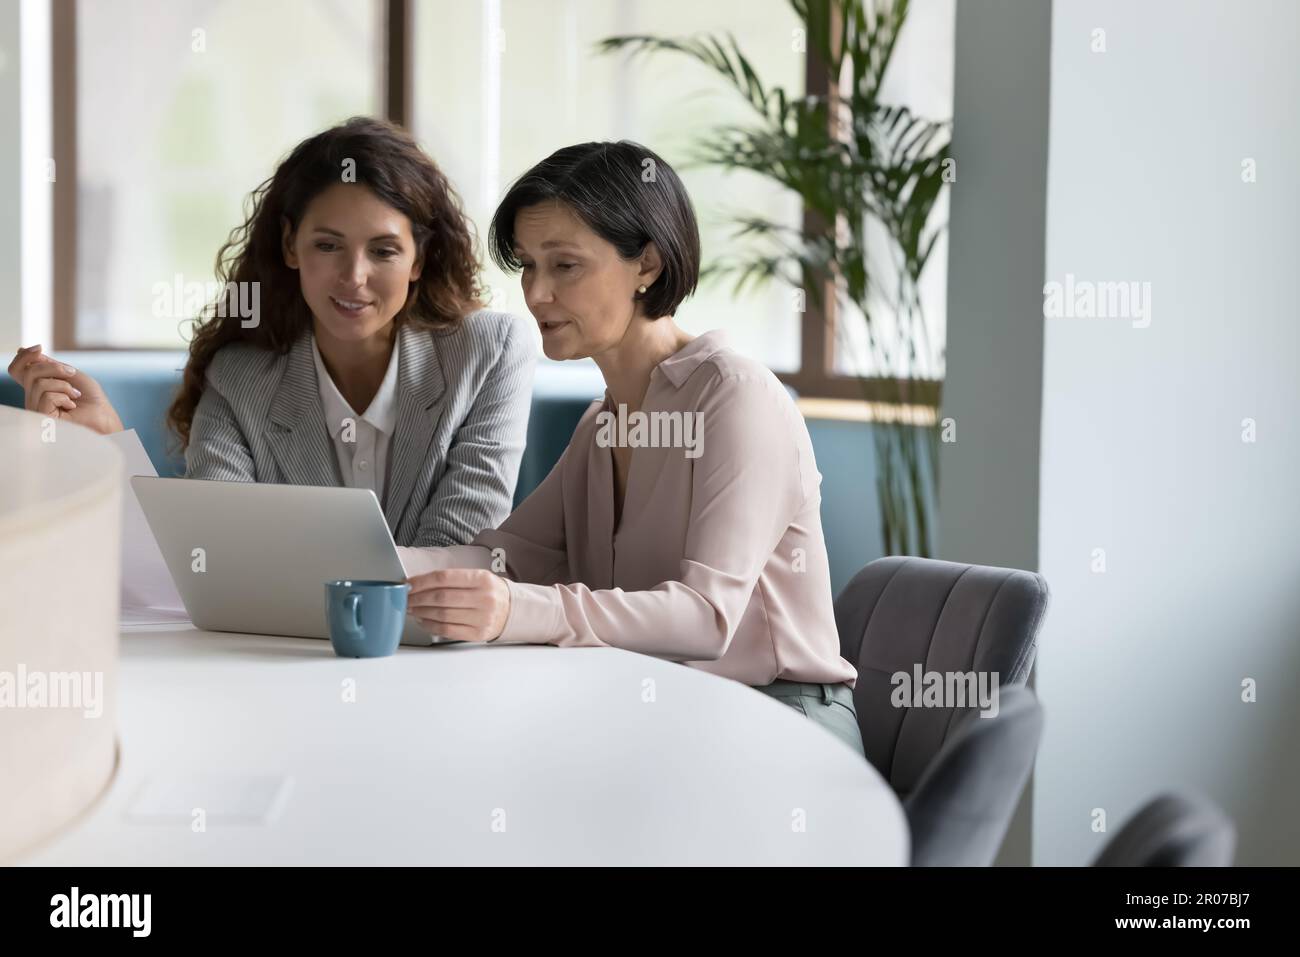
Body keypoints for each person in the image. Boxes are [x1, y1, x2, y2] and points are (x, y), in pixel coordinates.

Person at [397, 141, 864, 757]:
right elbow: (503, 560)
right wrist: (362, 567)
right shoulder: (601, 424)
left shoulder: (736, 396)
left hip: (779, 717)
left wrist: (518, 609)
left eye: (564, 266)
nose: (536, 294)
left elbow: (706, 619)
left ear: (646, 264)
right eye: (528, 267)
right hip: (658, 706)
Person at [7, 117, 536, 547]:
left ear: (420, 258)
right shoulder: (241, 377)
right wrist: (106, 447)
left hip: (441, 665)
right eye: (328, 245)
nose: (354, 277)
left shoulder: (490, 353)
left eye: (384, 250)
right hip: (284, 662)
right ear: (290, 247)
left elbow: (459, 555)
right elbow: (209, 556)